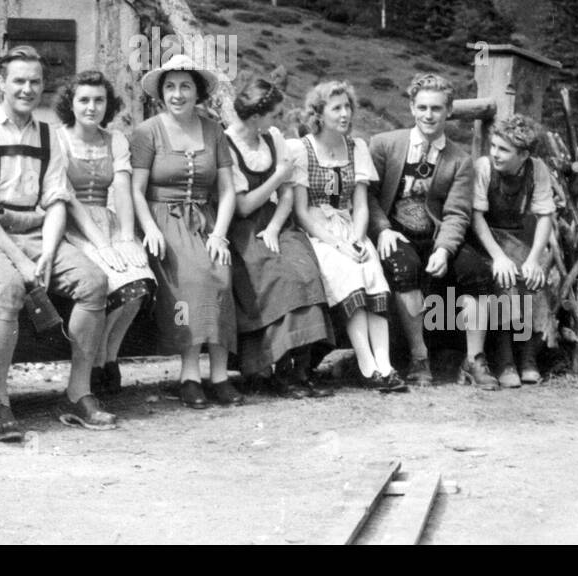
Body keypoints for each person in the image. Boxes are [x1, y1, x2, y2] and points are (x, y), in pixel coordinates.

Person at [0, 45, 115, 441]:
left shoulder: (48, 135)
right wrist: (20, 261)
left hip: (37, 232)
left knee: (93, 281)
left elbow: (57, 199)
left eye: (35, 81)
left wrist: (46, 250)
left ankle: (77, 393)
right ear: (1, 83)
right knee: (7, 288)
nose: (27, 89)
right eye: (19, 81)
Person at [369, 72, 499, 390]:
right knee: (404, 268)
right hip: (396, 233)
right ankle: (419, 356)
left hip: (436, 235)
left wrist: (444, 248)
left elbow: (456, 213)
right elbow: (366, 197)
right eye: (423, 107)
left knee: (476, 272)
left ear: (449, 111)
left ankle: (474, 358)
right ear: (412, 108)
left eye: (437, 109)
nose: (429, 115)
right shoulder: (385, 145)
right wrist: (382, 229)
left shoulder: (459, 159)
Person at [129, 54, 240, 410]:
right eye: (171, 87)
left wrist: (220, 234)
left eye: (185, 86)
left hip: (206, 221)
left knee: (222, 276)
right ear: (161, 94)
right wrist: (148, 227)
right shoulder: (147, 132)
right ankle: (189, 374)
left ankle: (220, 375)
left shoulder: (213, 130)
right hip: (164, 220)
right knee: (192, 280)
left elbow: (227, 189)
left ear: (198, 92)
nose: (178, 94)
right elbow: (135, 189)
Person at [290, 81, 405, 391]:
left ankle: (386, 365)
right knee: (350, 276)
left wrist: (356, 238)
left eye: (347, 107)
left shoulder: (357, 148)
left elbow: (361, 204)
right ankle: (368, 367)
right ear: (319, 113)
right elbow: (301, 212)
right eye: (336, 108)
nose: (344, 114)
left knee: (371, 274)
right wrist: (339, 243)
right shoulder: (302, 148)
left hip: (350, 227)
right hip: (318, 233)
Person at [224, 79, 333, 399]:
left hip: (276, 223)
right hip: (242, 228)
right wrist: (277, 175)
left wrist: (273, 228)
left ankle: (298, 370)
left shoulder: (272, 138)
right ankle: (268, 368)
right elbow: (243, 205)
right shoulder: (227, 145)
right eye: (274, 114)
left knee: (305, 271)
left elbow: (286, 195)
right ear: (256, 116)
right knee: (276, 277)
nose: (279, 120)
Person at [53, 70, 155, 397]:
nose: (91, 107)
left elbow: (123, 190)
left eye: (99, 100)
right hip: (73, 224)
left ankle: (109, 355)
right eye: (84, 100)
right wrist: (101, 244)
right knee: (109, 278)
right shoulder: (59, 139)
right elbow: (67, 197)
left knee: (138, 283)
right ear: (72, 103)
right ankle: (96, 361)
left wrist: (126, 237)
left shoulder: (115, 140)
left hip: (108, 220)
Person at [470, 115, 557, 387]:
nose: (495, 153)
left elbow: (545, 215)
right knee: (505, 282)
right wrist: (498, 257)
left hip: (519, 239)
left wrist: (533, 260)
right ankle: (505, 359)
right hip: (488, 240)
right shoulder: (484, 167)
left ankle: (529, 357)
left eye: (503, 150)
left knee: (539, 278)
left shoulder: (537, 169)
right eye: (493, 146)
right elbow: (476, 217)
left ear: (523, 154)